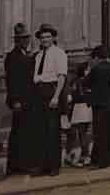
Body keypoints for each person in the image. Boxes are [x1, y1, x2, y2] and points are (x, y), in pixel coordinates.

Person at [30, 23, 67, 177]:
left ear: (53, 37)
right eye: (42, 37)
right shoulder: (38, 55)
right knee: (40, 131)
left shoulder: (59, 53)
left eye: (47, 36)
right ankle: (42, 166)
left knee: (52, 131)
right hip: (39, 92)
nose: (45, 39)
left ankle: (54, 166)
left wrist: (56, 96)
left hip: (51, 91)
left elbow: (62, 77)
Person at [4, 23, 36, 175]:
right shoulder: (13, 57)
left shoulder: (25, 54)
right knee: (20, 132)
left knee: (24, 131)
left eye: (27, 38)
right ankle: (19, 165)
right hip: (20, 101)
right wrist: (16, 100)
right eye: (23, 38)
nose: (26, 41)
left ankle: (19, 163)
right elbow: (13, 80)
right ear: (17, 40)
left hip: (27, 100)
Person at [82, 45, 110, 168]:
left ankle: (99, 161)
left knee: (98, 133)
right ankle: (106, 160)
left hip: (98, 104)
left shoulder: (96, 69)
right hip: (108, 102)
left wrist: (88, 71)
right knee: (105, 132)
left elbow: (85, 82)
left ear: (96, 57)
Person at [64, 62, 93, 168]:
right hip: (84, 108)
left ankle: (78, 155)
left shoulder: (75, 81)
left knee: (80, 133)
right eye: (87, 69)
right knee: (83, 133)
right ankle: (85, 155)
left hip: (79, 108)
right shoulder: (84, 81)